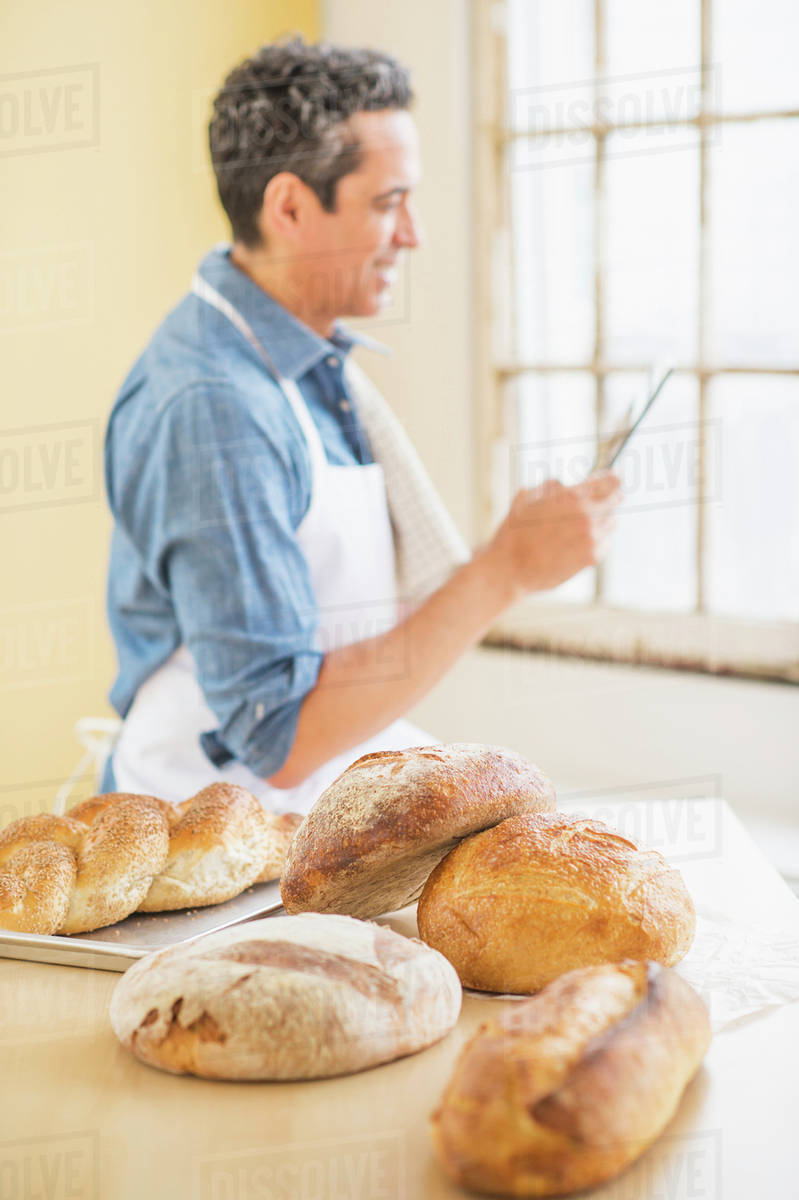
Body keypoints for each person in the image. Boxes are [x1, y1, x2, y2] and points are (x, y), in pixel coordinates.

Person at [100, 38, 620, 814]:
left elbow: (334, 613)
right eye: (386, 203)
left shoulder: (307, 359)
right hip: (217, 848)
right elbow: (280, 739)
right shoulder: (215, 407)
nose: (410, 233)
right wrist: (501, 571)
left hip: (310, 817)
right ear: (289, 206)